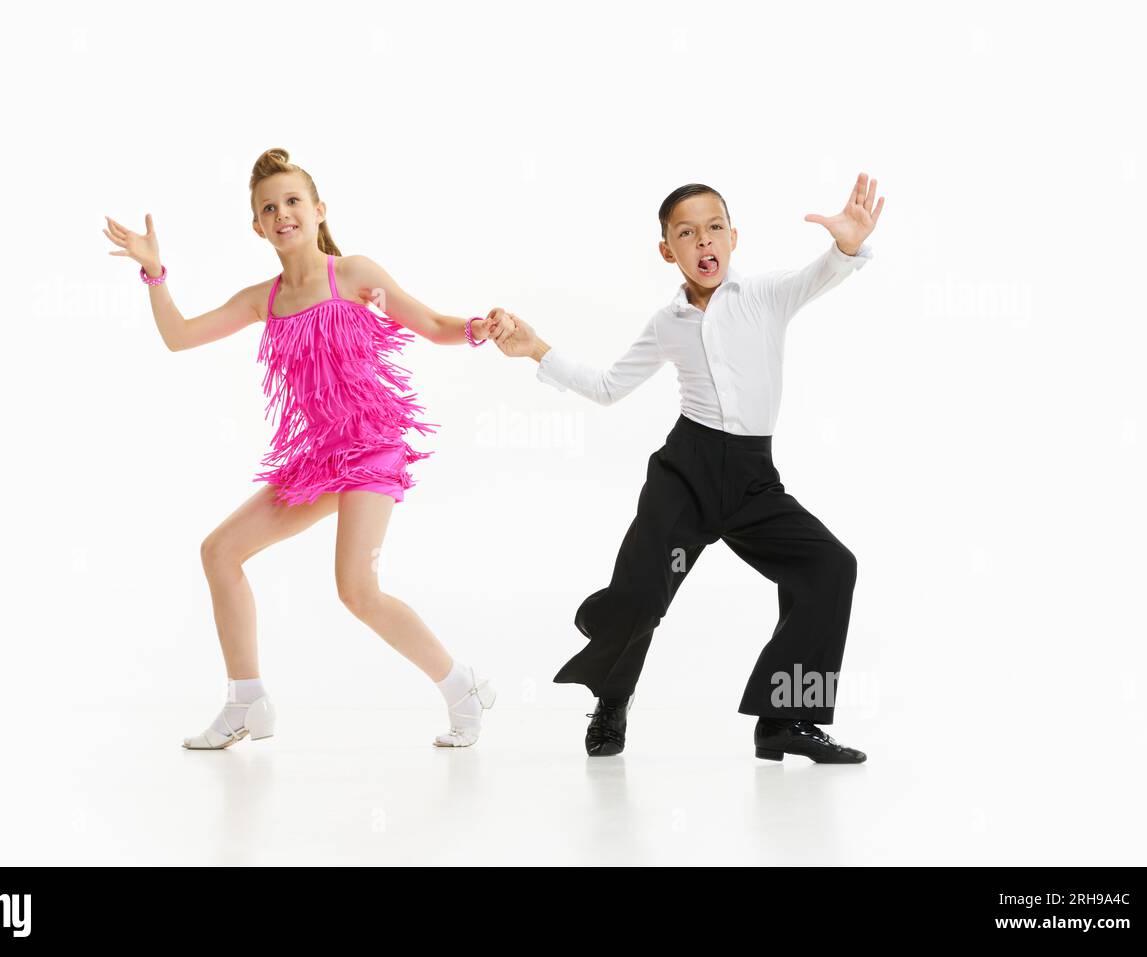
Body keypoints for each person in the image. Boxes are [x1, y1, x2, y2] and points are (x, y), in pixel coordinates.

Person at [103, 147, 498, 751]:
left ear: (318, 211)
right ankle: (246, 700)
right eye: (269, 207)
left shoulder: (356, 274)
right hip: (318, 458)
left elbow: (433, 324)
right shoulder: (262, 299)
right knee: (220, 552)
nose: (282, 212)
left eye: (293, 201)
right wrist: (154, 273)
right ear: (257, 226)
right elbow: (179, 338)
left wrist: (479, 329)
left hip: (370, 446)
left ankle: (460, 686)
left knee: (357, 591)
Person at [486, 174, 885, 762]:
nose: (705, 242)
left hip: (753, 479)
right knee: (645, 596)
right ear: (666, 250)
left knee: (830, 569)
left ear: (733, 237)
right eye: (688, 233)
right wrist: (537, 348)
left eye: (715, 228)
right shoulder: (667, 322)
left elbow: (821, 275)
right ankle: (611, 702)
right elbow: (606, 386)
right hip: (686, 473)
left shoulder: (767, 295)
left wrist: (846, 245)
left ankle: (784, 721)